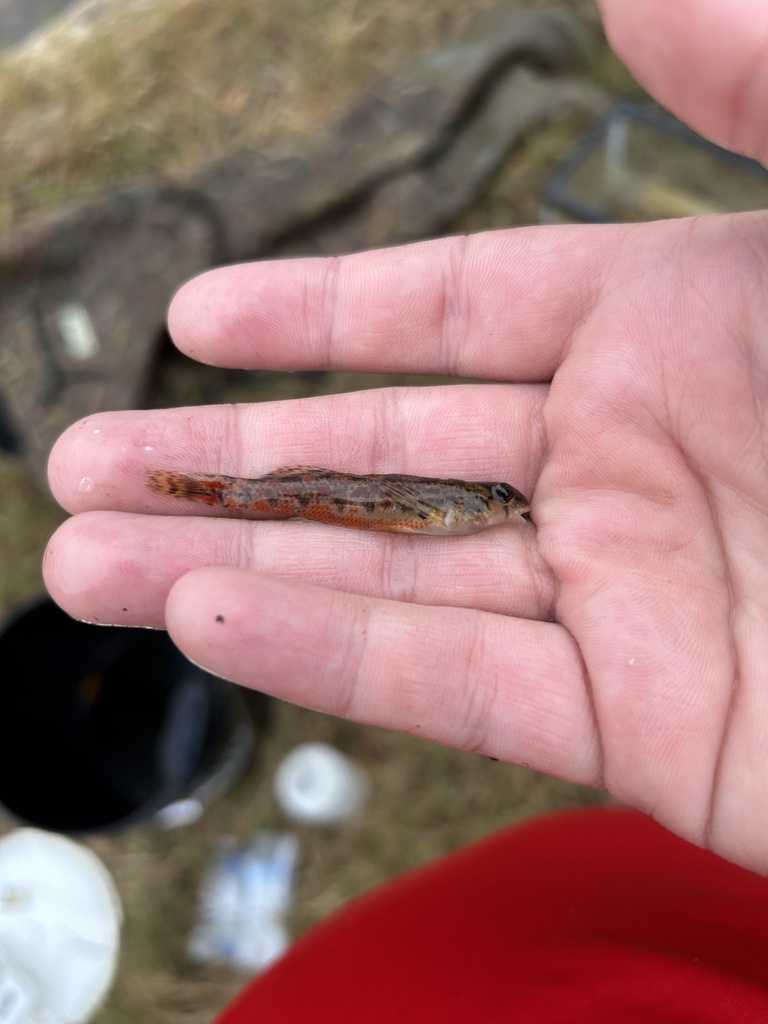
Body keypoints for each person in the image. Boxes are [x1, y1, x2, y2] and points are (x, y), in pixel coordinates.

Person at [43, 0, 768, 1017]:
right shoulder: (463, 503)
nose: (505, 509)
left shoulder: (478, 507)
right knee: (270, 502)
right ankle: (202, 492)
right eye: (500, 503)